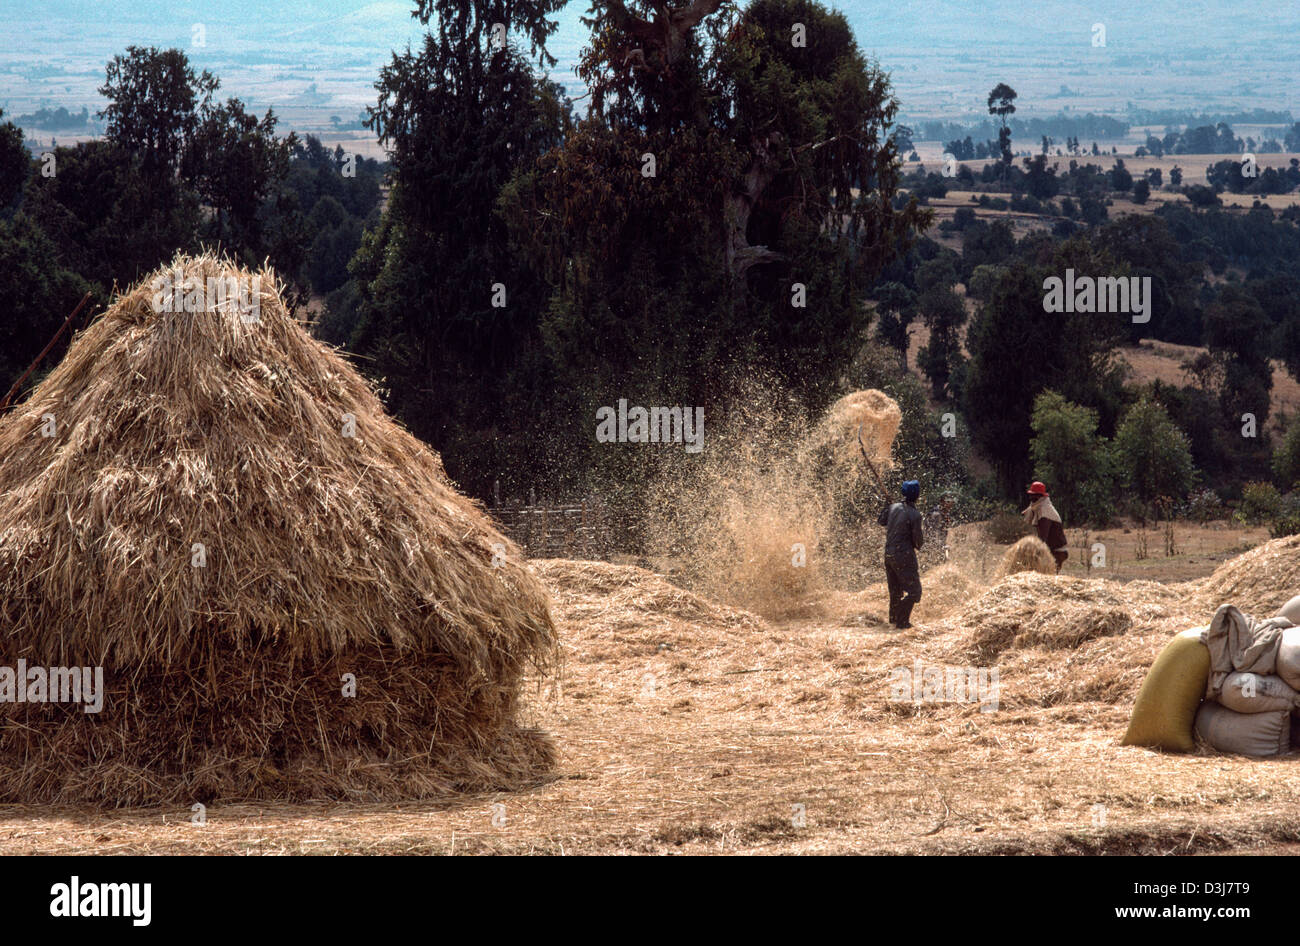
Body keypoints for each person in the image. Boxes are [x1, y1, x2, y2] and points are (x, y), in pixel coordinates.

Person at [877, 479, 924, 629]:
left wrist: (888, 506)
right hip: (904, 556)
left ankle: (893, 620)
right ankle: (902, 621)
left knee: (895, 591)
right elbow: (918, 543)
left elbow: (881, 521)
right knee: (915, 592)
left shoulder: (893, 507)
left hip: (888, 554)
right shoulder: (915, 515)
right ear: (917, 496)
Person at [1023, 481, 1068, 572]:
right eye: (1031, 495)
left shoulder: (1045, 511)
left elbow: (1043, 537)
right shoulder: (1038, 506)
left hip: (1057, 552)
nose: (1031, 497)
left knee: (1048, 577)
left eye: (1034, 495)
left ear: (1040, 496)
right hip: (1051, 550)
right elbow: (1028, 511)